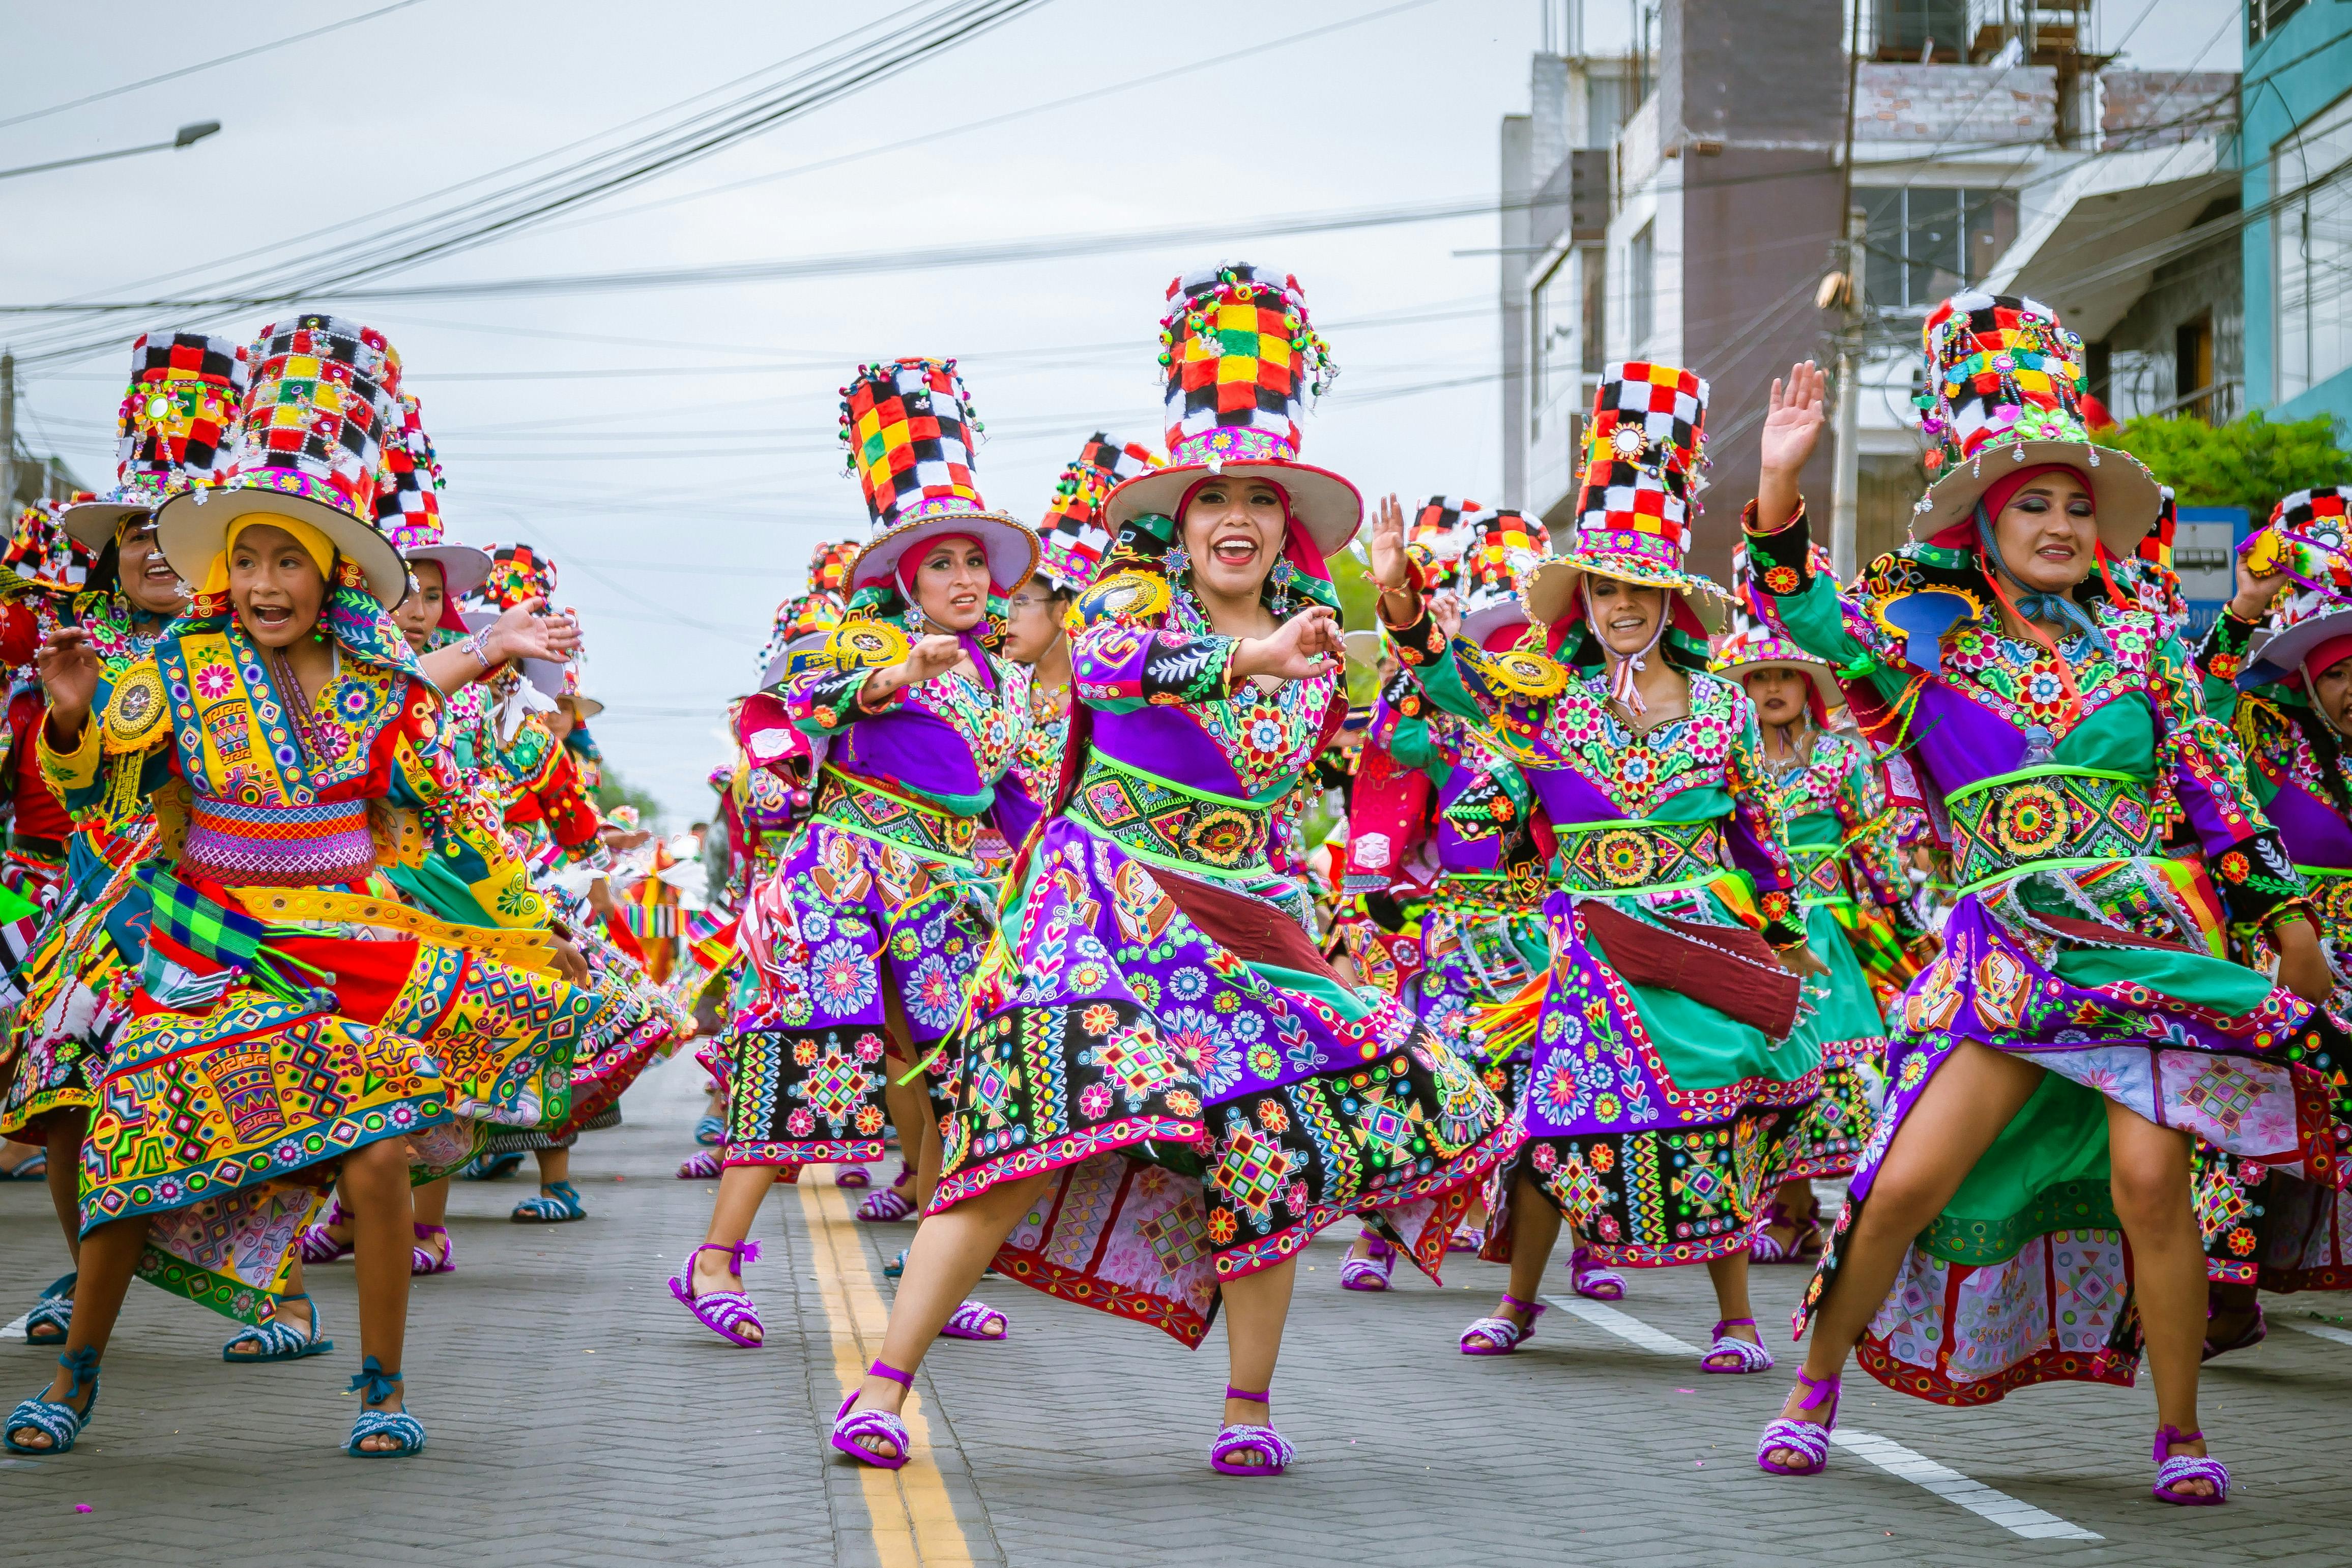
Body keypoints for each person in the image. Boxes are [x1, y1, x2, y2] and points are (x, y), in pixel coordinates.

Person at [826, 264, 1511, 1478]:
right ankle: (882, 1386)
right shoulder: (1131, 605)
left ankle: (1246, 1409)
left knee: (1268, 1146)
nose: (1233, 515)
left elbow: (1469, 711)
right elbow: (1106, 665)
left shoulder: (1315, 627)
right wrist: (1249, 660)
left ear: (1284, 524)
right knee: (1027, 1124)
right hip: (1100, 912)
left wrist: (1401, 609)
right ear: (1179, 520)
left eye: (1258, 496)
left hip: (1244, 924)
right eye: (1212, 499)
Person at [1744, 293, 2348, 1506]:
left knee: (2148, 1184)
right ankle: (1811, 1383)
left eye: (2078, 502)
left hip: (2144, 951)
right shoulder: (1917, 644)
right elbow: (1796, 609)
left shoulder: (2142, 643)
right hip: (2009, 961)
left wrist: (2283, 918)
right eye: (2034, 500)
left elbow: (2215, 790)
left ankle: (2177, 1428)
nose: (2062, 520)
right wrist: (1775, 490)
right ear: (1981, 519)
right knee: (1906, 1182)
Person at [3, 314, 603, 1458]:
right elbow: (101, 807)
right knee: (131, 1155)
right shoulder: (171, 668)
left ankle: (380, 1389)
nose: (268, 581)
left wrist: (537, 930)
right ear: (224, 569)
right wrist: (75, 714)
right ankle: (74, 1383)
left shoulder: (381, 685)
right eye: (251, 558)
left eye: (291, 558)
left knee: (375, 1159)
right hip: (204, 957)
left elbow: (459, 828)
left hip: (342, 964)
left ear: (330, 570)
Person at [1369, 361, 1820, 1376]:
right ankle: (1520, 1302)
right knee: (1549, 1123)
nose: (1620, 603)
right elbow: (1440, 677)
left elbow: (1759, 833)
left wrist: (1784, 947)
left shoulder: (1724, 707)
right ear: (1582, 597)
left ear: (1671, 598)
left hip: (1700, 940)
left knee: (1715, 1121)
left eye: (1638, 587)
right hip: (1588, 948)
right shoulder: (1542, 703)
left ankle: (1736, 1317)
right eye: (1605, 586)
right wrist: (1397, 588)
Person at [671, 359, 1040, 1350]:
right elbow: (815, 701)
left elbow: (1028, 805)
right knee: (807, 1058)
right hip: (836, 880)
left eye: (975, 563)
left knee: (952, 1074)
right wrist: (891, 672)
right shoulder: (844, 645)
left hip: (945, 896)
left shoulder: (1005, 690)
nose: (963, 580)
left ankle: (937, 1273)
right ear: (906, 581)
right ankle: (712, 1261)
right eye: (941, 565)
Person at [4, 329, 250, 1347]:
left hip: (231, 915)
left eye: (176, 531)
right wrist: (67, 714)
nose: (153, 548)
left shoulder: (257, 643)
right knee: (62, 1098)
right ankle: (82, 1277)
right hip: (99, 917)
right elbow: (77, 781)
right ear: (111, 551)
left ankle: (271, 1293)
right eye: (137, 532)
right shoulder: (84, 646)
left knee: (245, 1105)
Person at [2189, 486, 2352, 1351]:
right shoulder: (2263, 735)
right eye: (2335, 671)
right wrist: (2243, 608)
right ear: (2308, 681)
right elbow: (2193, 707)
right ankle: (2228, 1296)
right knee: (2248, 1121)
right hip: (2290, 954)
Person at [1708, 585, 1908, 1265]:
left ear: (1804, 683)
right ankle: (1786, 1209)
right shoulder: (1724, 761)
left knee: (1831, 1069)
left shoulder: (1841, 759)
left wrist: (1907, 922)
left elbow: (1875, 845)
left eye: (1781, 675)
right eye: (1757, 677)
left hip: (1824, 934)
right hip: (1753, 932)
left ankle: (1825, 1212)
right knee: (1762, 1064)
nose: (1769, 689)